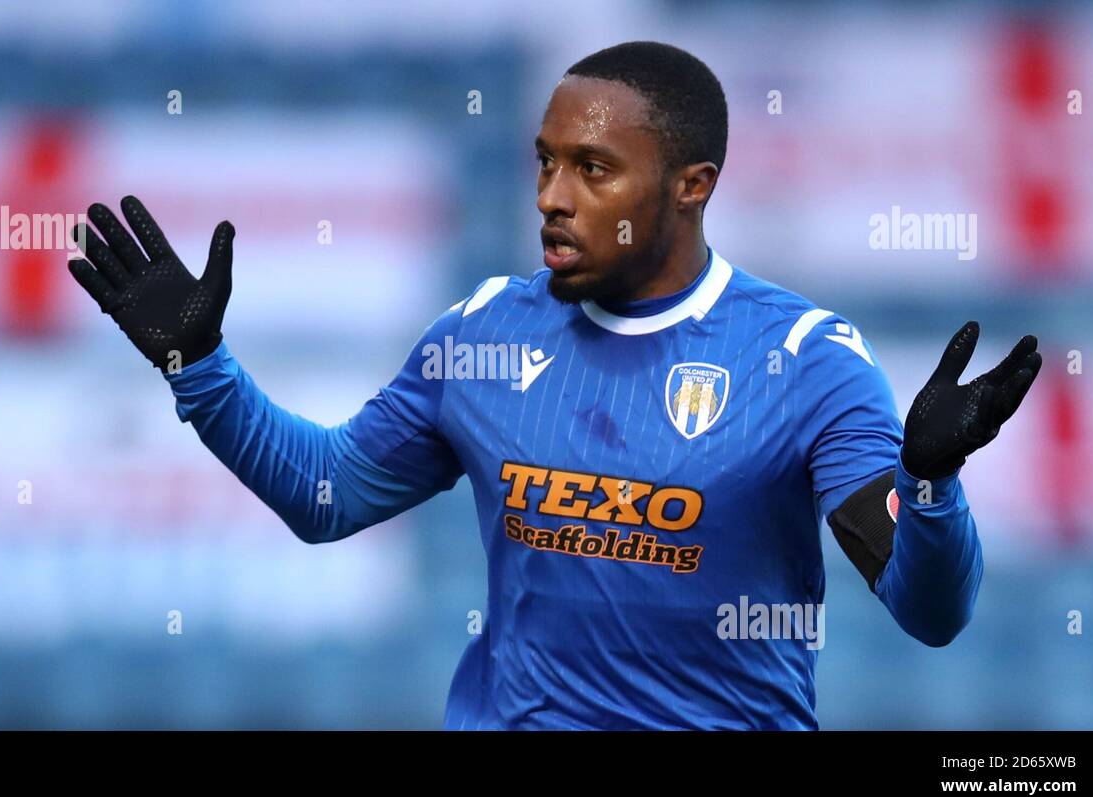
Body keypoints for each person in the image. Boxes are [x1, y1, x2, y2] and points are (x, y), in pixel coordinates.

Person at [67, 41, 1042, 729]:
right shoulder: (484, 332)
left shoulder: (807, 363)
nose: (550, 197)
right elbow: (328, 495)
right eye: (543, 164)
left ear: (689, 185)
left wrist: (931, 485)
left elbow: (931, 612)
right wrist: (202, 371)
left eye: (592, 169)